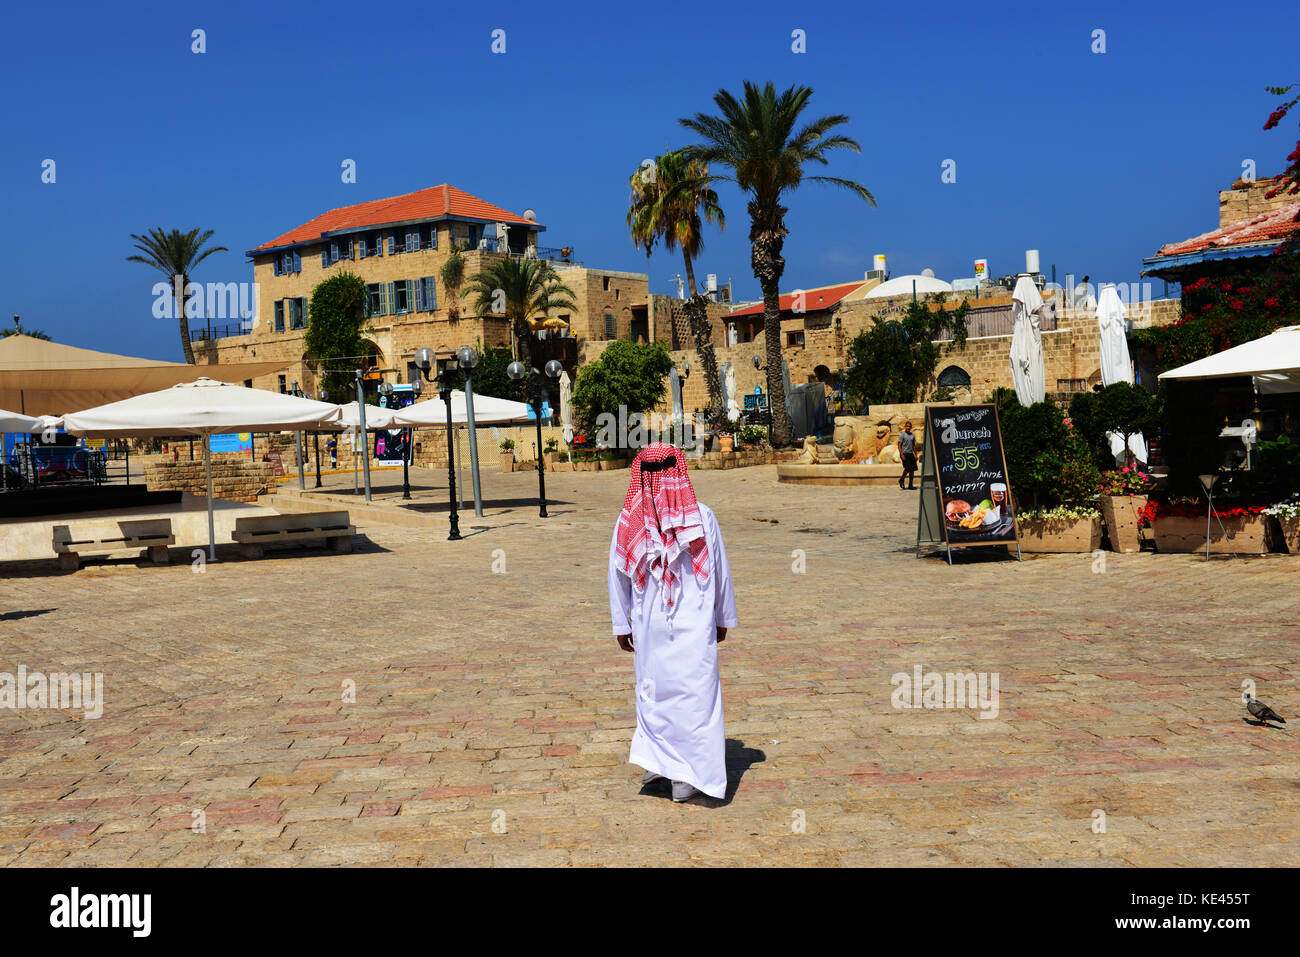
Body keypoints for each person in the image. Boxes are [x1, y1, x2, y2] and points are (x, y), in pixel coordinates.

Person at [609, 443, 737, 804]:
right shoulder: (700, 515)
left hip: (649, 623)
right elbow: (719, 572)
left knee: (657, 693)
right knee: (691, 695)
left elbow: (616, 575)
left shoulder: (628, 519)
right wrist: (721, 616)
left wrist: (623, 623)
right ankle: (671, 769)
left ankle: (677, 772)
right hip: (693, 621)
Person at [897, 421, 918, 489]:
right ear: (905, 427)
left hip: (911, 454)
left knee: (912, 470)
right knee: (907, 468)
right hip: (904, 453)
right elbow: (899, 445)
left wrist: (916, 454)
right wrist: (902, 454)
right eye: (907, 426)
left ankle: (910, 485)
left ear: (911, 427)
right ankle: (902, 479)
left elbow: (914, 445)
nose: (908, 427)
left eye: (909, 426)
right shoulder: (902, 435)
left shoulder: (912, 435)